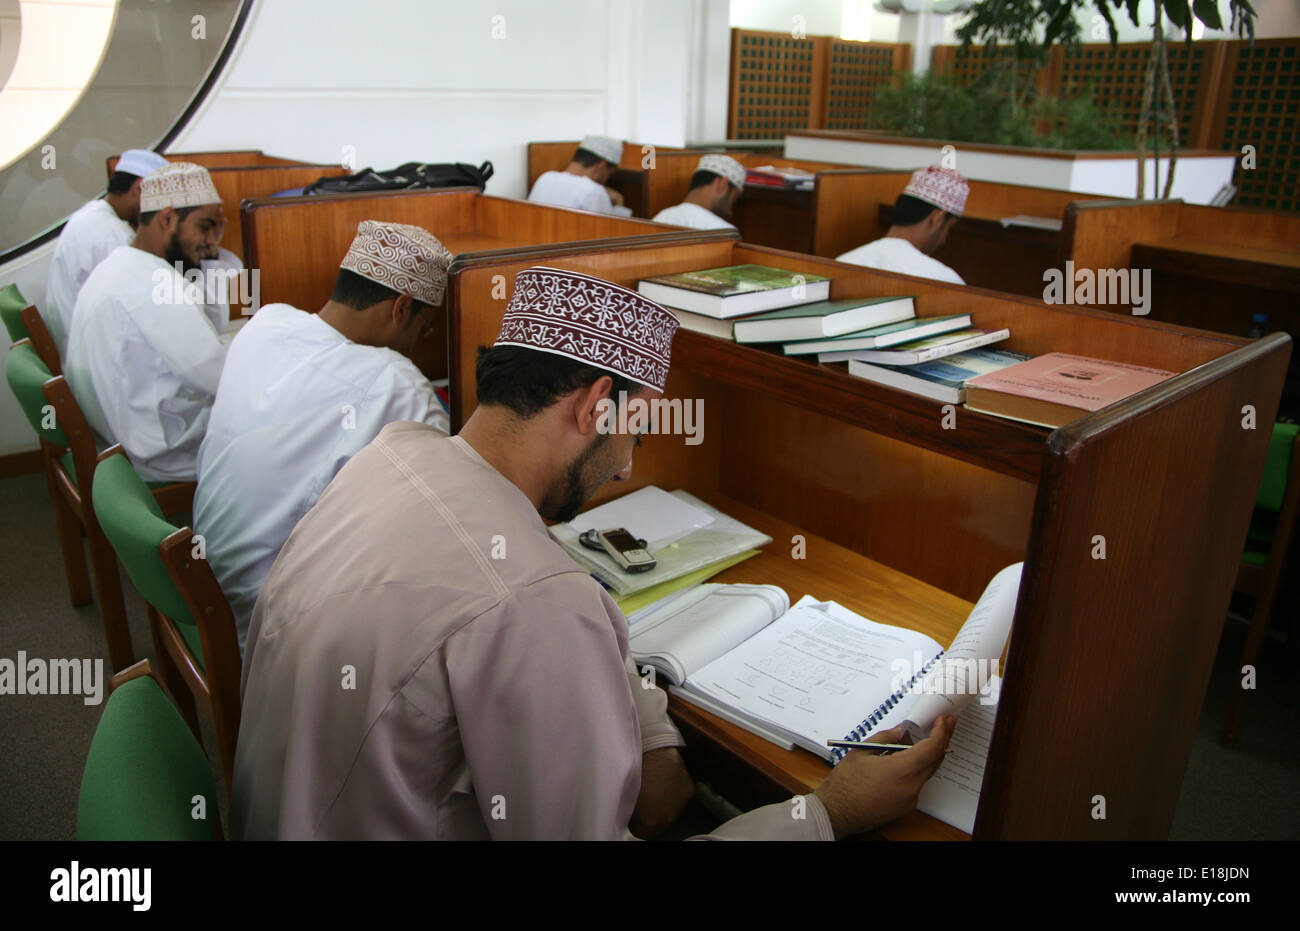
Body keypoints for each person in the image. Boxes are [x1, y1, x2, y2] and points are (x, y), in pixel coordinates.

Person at [231, 265, 955, 840]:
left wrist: (635, 711)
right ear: (594, 405)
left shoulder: (390, 456)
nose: (628, 466)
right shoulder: (533, 599)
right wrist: (828, 813)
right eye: (634, 431)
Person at [194, 221, 453, 654]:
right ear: (401, 309)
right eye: (424, 329)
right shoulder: (396, 382)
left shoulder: (266, 322)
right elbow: (447, 505)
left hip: (208, 582)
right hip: (272, 624)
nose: (417, 342)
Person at [64, 162, 227, 482]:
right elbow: (218, 376)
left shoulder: (121, 264)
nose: (211, 241)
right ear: (167, 219)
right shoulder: (156, 285)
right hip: (157, 454)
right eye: (205, 227)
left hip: (113, 437)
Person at [43, 149, 170, 357]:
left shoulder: (92, 215)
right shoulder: (111, 236)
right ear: (139, 188)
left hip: (76, 343)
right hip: (88, 353)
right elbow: (144, 304)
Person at [835, 166, 970, 285]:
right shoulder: (943, 280)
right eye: (948, 229)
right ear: (937, 219)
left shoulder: (843, 263)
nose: (943, 240)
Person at [527, 135, 632, 216]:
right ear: (600, 167)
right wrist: (619, 201)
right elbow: (611, 234)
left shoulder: (545, 178)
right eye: (609, 175)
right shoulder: (594, 191)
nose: (606, 180)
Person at [651, 154, 745, 230]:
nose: (730, 212)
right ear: (722, 185)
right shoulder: (724, 231)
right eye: (733, 200)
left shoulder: (661, 217)